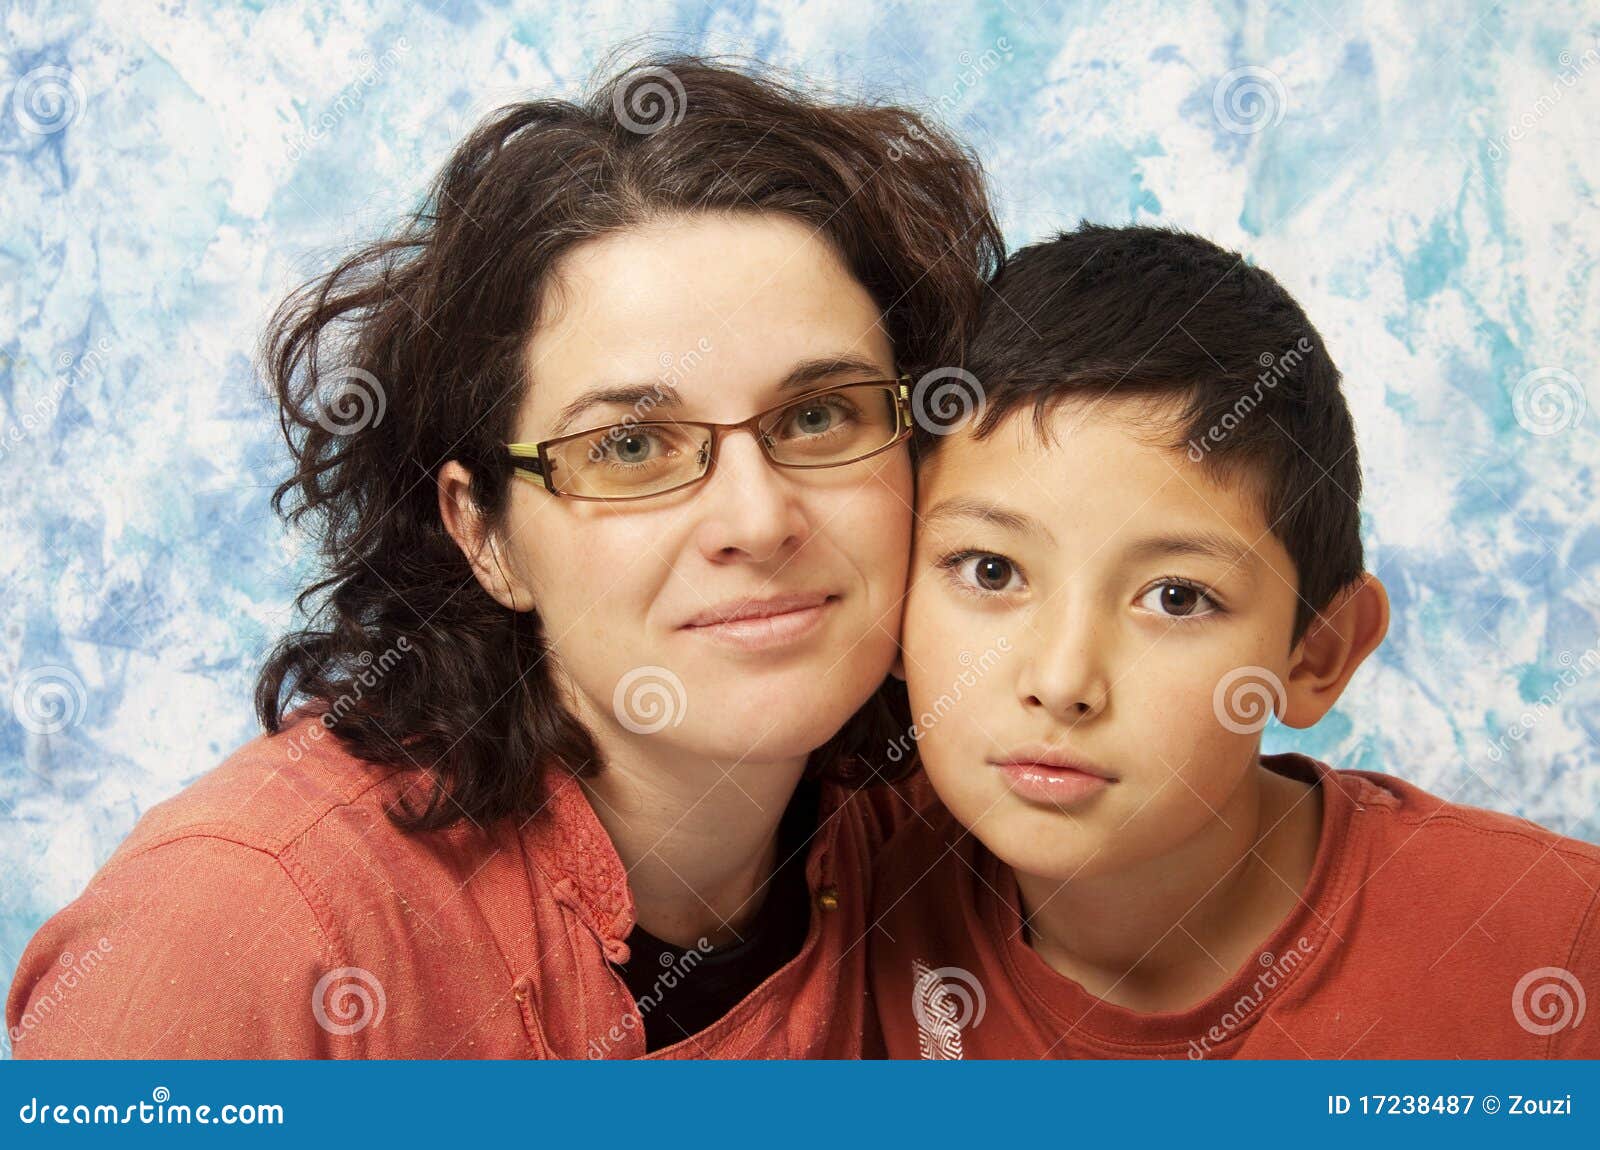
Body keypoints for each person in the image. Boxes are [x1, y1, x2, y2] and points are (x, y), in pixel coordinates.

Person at [6, 55, 1002, 1058]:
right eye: (628, 446)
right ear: (484, 534)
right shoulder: (234, 926)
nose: (758, 516)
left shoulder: (972, 821)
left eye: (819, 414)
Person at [871, 223, 1600, 1059]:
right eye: (991, 571)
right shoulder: (842, 882)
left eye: (1177, 597)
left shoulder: (1554, 947)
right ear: (892, 593)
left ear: (1317, 653)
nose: (1063, 679)